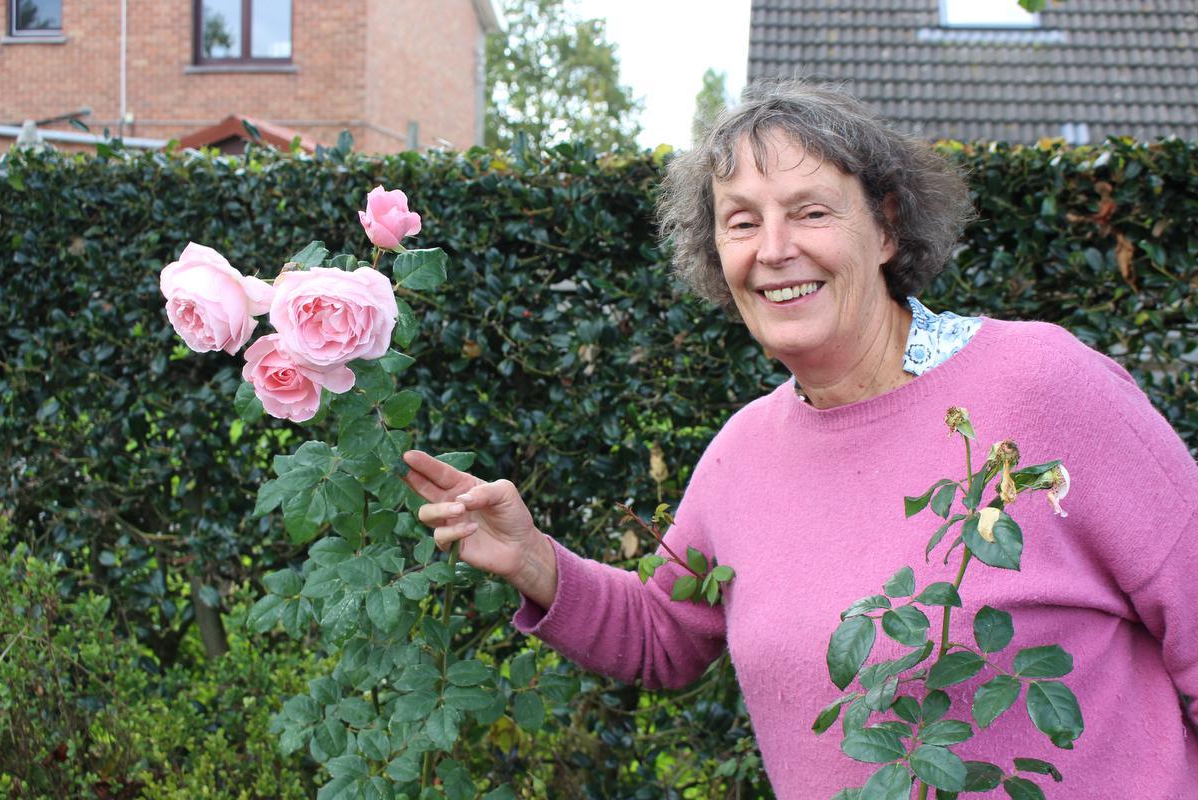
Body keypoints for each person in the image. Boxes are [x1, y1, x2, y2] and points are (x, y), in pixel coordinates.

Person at [403, 82, 1198, 798]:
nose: (774, 249)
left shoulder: (1045, 385)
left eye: (811, 211)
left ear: (887, 227)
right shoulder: (740, 456)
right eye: (741, 222)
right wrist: (537, 563)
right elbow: (664, 636)